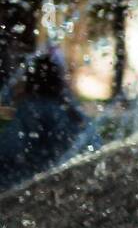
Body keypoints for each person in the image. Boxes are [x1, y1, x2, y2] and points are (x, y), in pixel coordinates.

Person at [0, 47, 99, 191]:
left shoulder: (33, 108)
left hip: (32, 185)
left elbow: (11, 147)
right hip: (66, 182)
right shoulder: (71, 109)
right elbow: (94, 143)